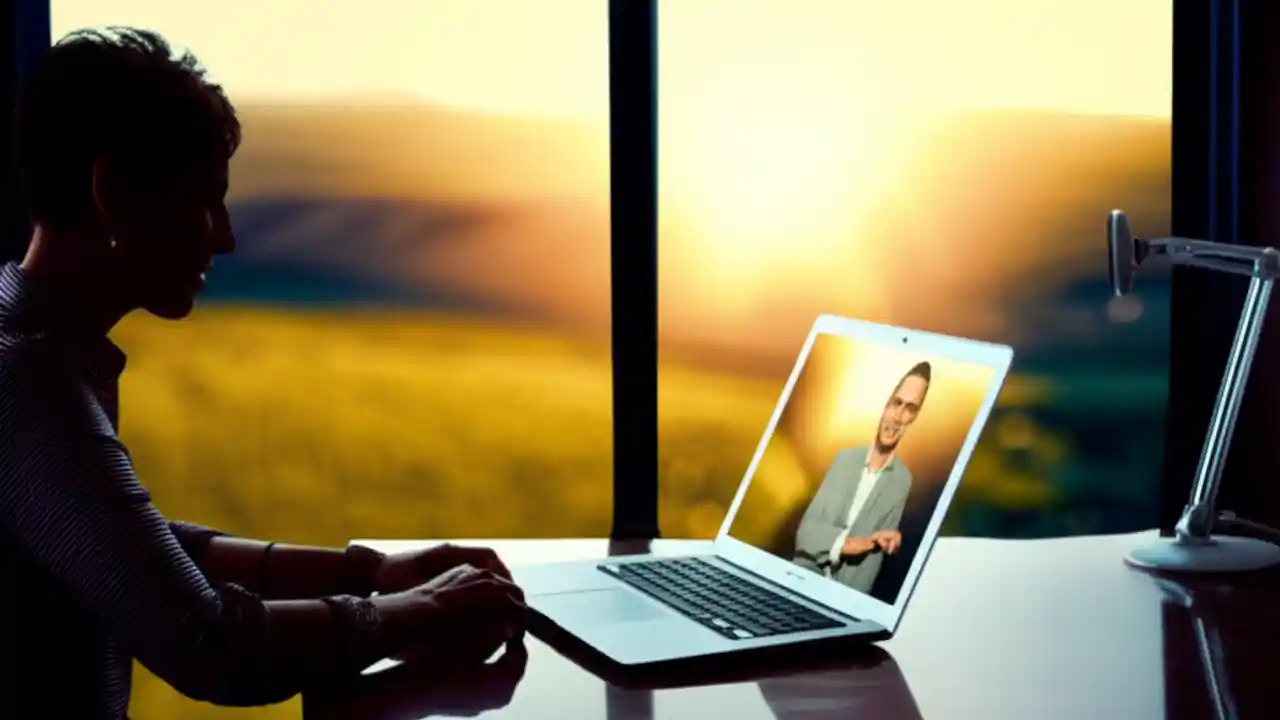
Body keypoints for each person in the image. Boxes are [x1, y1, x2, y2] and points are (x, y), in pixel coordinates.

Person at [0, 27, 525, 718]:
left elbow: (133, 546)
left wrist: (374, 573)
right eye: (203, 197)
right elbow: (210, 645)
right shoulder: (31, 384)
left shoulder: (31, 343)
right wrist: (416, 610)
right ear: (113, 193)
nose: (223, 235)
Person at [793, 362, 931, 593]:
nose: (898, 416)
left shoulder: (902, 480)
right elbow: (807, 534)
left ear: (915, 417)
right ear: (884, 404)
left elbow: (872, 566)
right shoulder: (845, 459)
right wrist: (851, 544)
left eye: (910, 408)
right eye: (896, 403)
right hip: (801, 582)